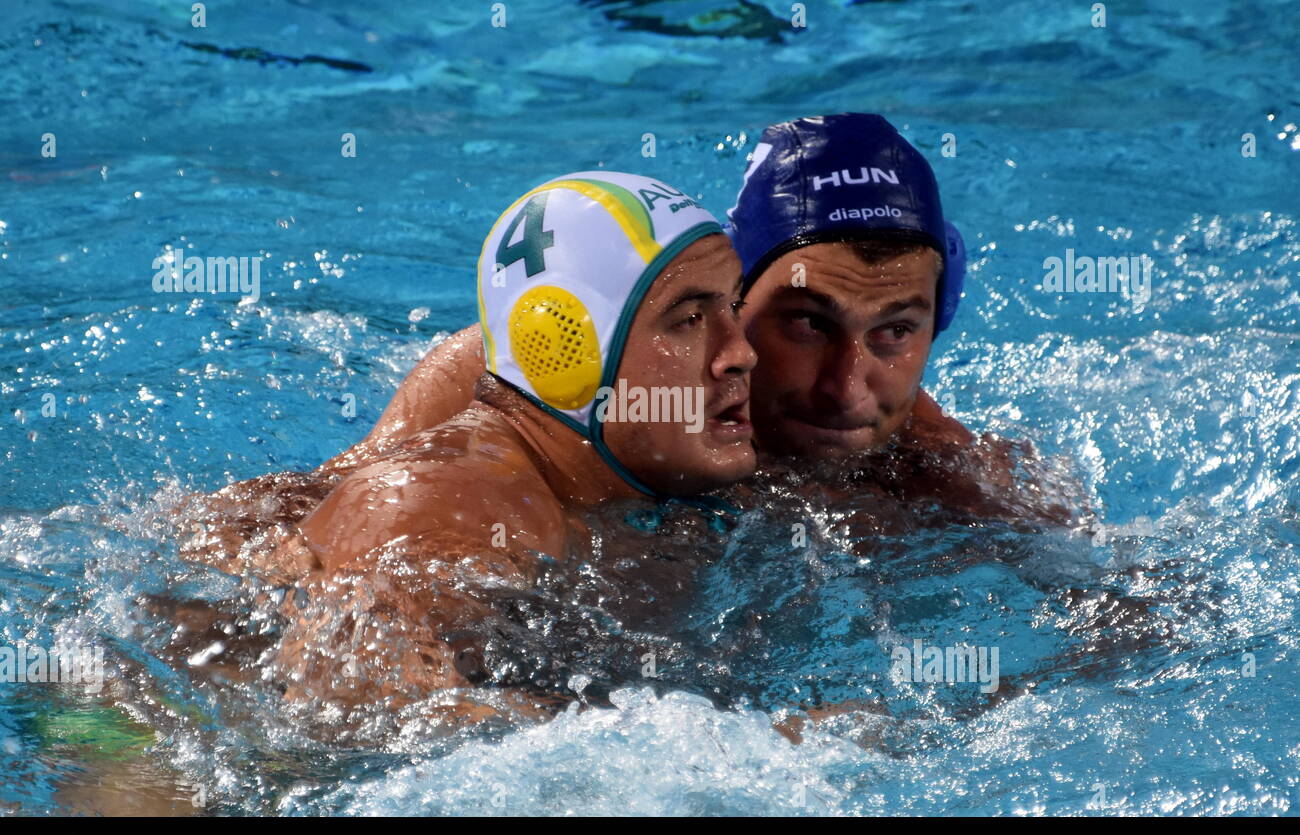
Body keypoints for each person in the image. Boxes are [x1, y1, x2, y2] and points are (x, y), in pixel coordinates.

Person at [313, 114, 1058, 519]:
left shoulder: (938, 474)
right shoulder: (531, 371)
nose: (846, 390)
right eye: (804, 323)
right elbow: (329, 513)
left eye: (895, 331)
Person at [258, 171, 758, 712]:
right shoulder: (439, 508)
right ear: (563, 352)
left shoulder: (616, 474)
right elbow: (364, 718)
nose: (741, 353)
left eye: (733, 308)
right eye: (687, 319)